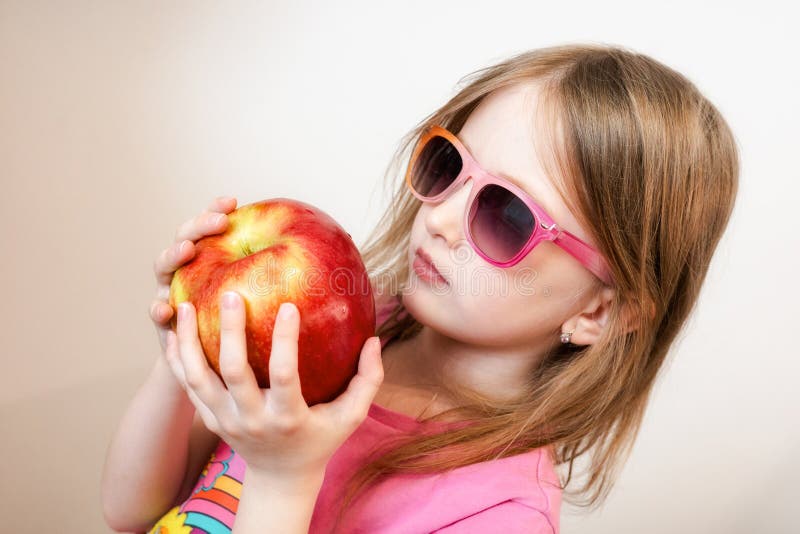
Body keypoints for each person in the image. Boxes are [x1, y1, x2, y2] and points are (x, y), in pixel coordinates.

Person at [101, 43, 739, 533]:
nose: (436, 218)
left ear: (601, 309)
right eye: (449, 164)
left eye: (504, 214)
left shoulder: (496, 514)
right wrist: (180, 359)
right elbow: (131, 511)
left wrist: (281, 476)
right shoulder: (344, 333)